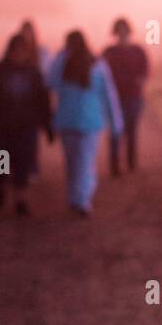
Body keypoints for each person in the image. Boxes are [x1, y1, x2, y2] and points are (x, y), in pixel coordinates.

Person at [47, 30, 123, 217]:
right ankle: (82, 199)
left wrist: (60, 56)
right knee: (85, 162)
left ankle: (76, 198)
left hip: (67, 121)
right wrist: (116, 123)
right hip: (89, 122)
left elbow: (49, 82)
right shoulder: (98, 65)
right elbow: (109, 95)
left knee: (72, 162)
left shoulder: (62, 63)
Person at [0, 32, 54, 216]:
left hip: (26, 129)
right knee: (1, 163)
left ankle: (21, 199)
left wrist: (48, 125)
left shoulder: (33, 74)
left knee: (23, 164)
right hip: (1, 130)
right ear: (9, 50)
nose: (19, 54)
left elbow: (43, 101)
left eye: (23, 51)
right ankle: (1, 185)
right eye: (16, 50)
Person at [101, 17, 149, 174]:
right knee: (115, 130)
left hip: (133, 97)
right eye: (119, 29)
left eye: (124, 29)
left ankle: (131, 163)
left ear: (128, 31)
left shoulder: (138, 51)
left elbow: (145, 71)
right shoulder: (109, 52)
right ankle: (115, 165)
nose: (122, 33)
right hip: (114, 98)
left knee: (131, 130)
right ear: (115, 32)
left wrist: (140, 82)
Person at [19, 20, 52, 180]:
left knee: (31, 137)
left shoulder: (42, 52)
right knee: (7, 144)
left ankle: (30, 168)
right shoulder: (14, 52)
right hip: (15, 103)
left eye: (29, 32)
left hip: (34, 102)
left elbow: (47, 75)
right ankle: (2, 174)